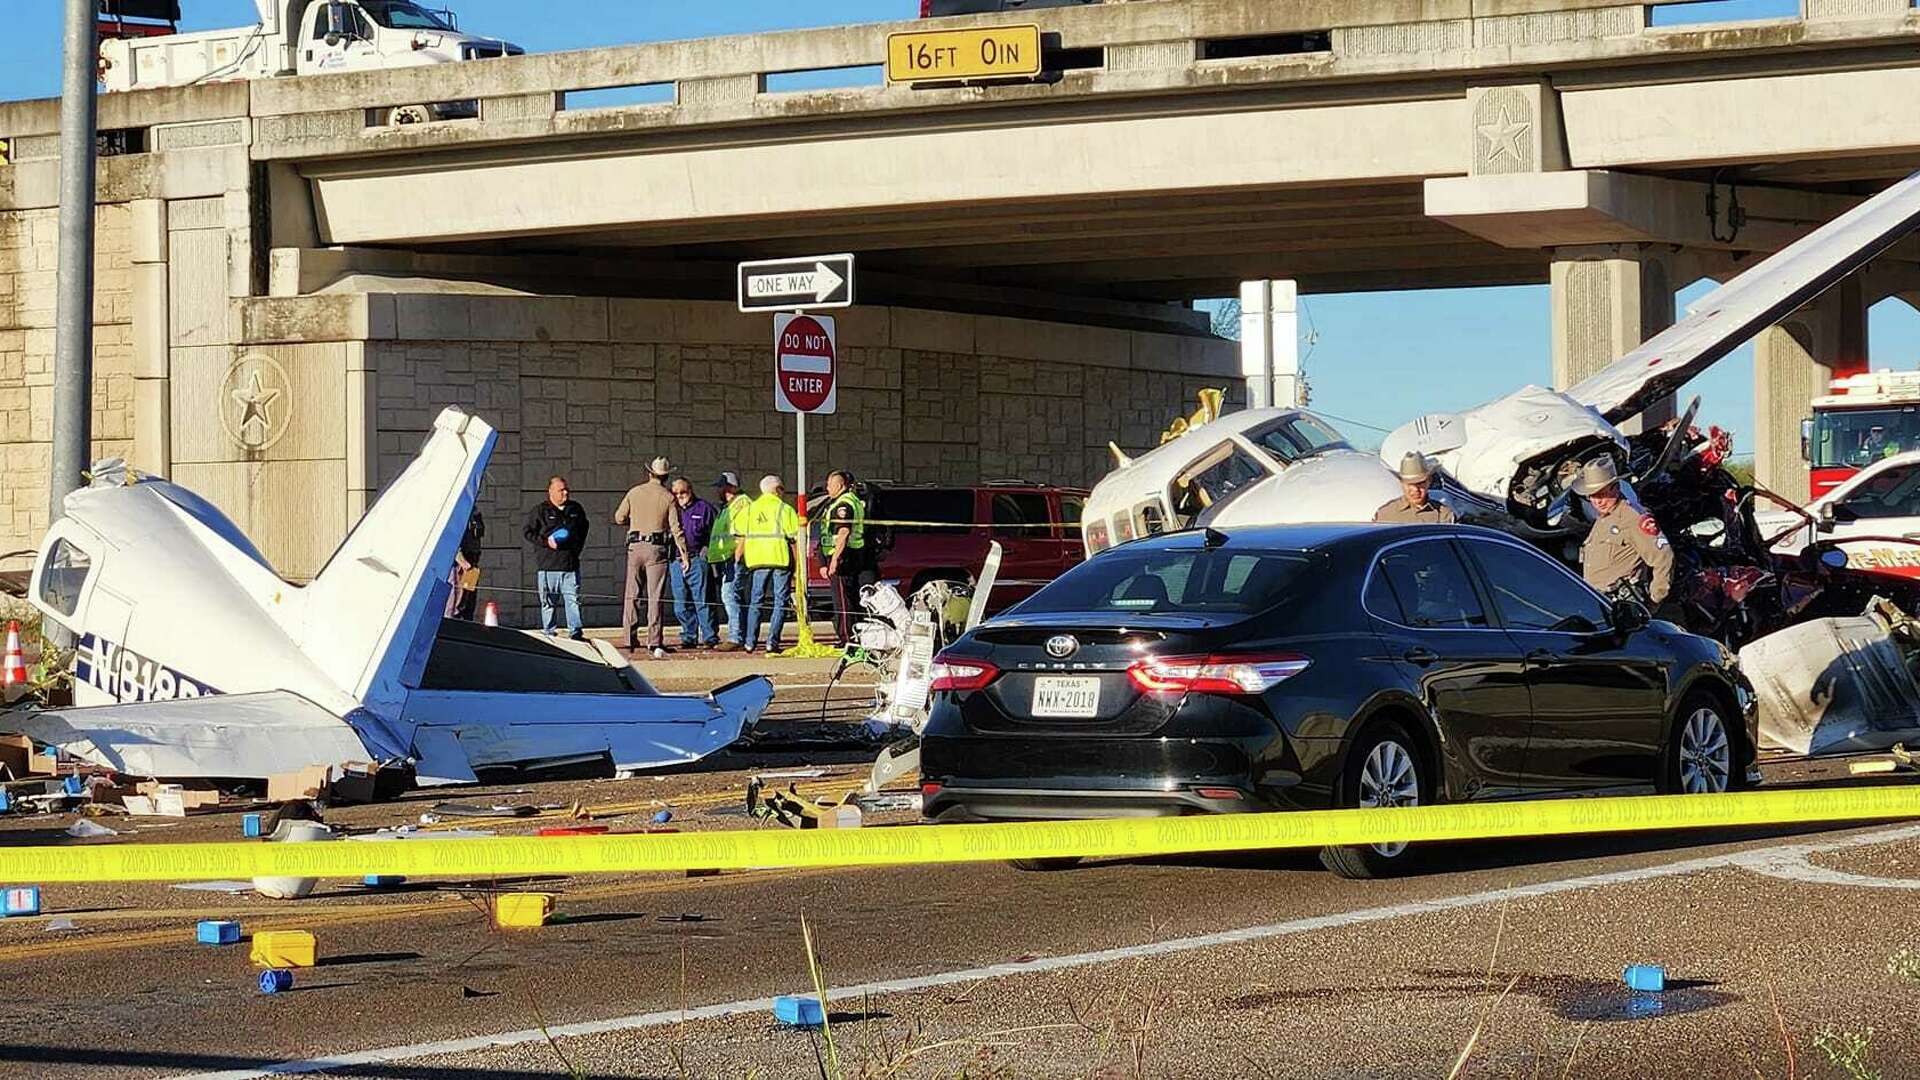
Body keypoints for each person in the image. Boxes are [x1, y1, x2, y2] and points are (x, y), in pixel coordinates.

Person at [1571, 457, 1674, 610]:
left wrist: (1654, 600)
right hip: (1599, 602)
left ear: (1616, 488)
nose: (1598, 501)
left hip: (1623, 606)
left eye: (1602, 494)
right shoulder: (1604, 518)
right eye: (1592, 496)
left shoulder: (1632, 518)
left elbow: (1664, 557)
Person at [613, 456, 688, 659]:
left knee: (632, 594)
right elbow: (676, 529)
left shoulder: (634, 492)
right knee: (655, 596)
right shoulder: (668, 497)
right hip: (657, 549)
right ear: (666, 476)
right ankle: (654, 641)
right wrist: (684, 554)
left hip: (635, 547)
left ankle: (629, 638)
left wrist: (635, 522)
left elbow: (619, 517)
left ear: (649, 473)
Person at [736, 475, 801, 655]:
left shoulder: (749, 509)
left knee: (756, 600)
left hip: (757, 560)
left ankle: (750, 642)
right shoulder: (785, 509)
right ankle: (772, 642)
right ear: (777, 490)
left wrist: (739, 558)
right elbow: (794, 536)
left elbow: (738, 533)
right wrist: (798, 565)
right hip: (780, 559)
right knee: (780, 601)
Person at [522, 476, 589, 640]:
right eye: (561, 490)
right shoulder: (540, 511)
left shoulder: (575, 509)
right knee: (548, 603)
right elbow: (528, 532)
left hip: (570, 566)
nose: (565, 493)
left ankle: (576, 632)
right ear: (551, 492)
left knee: (573, 600)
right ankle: (549, 632)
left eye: (567, 490)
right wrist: (546, 542)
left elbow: (584, 529)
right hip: (548, 566)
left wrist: (576, 549)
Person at [817, 470, 877, 647]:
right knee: (850, 598)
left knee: (842, 600)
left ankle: (846, 638)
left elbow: (843, 532)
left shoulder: (844, 505)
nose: (827, 488)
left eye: (830, 484)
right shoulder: (849, 501)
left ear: (840, 485)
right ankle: (853, 636)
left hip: (844, 556)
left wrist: (834, 560)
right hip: (850, 554)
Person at [668, 476, 720, 649]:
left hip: (697, 558)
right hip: (676, 561)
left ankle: (710, 636)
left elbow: (715, 534)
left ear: (690, 491)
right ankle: (689, 636)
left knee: (703, 600)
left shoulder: (704, 508)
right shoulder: (671, 509)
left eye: (682, 492)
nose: (679, 496)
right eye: (675, 493)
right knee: (681, 603)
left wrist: (707, 553)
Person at [708, 472, 753, 652]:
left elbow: (742, 533)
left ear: (731, 488)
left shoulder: (741, 504)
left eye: (722, 487)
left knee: (729, 594)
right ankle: (743, 635)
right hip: (729, 556)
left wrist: (737, 557)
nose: (719, 490)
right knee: (736, 595)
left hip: (736, 557)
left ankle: (735, 637)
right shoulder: (730, 505)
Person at [1373, 452, 1456, 524]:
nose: (1415, 489)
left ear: (1429, 482)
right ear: (1401, 484)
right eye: (1410, 484)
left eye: (1420, 483)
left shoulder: (1443, 514)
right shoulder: (1385, 514)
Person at [447, 507, 485, 620]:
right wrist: (461, 560)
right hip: (461, 564)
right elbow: (450, 538)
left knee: (469, 603)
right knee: (456, 603)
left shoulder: (475, 512)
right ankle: (451, 627)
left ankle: (467, 625)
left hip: (472, 562)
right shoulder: (457, 509)